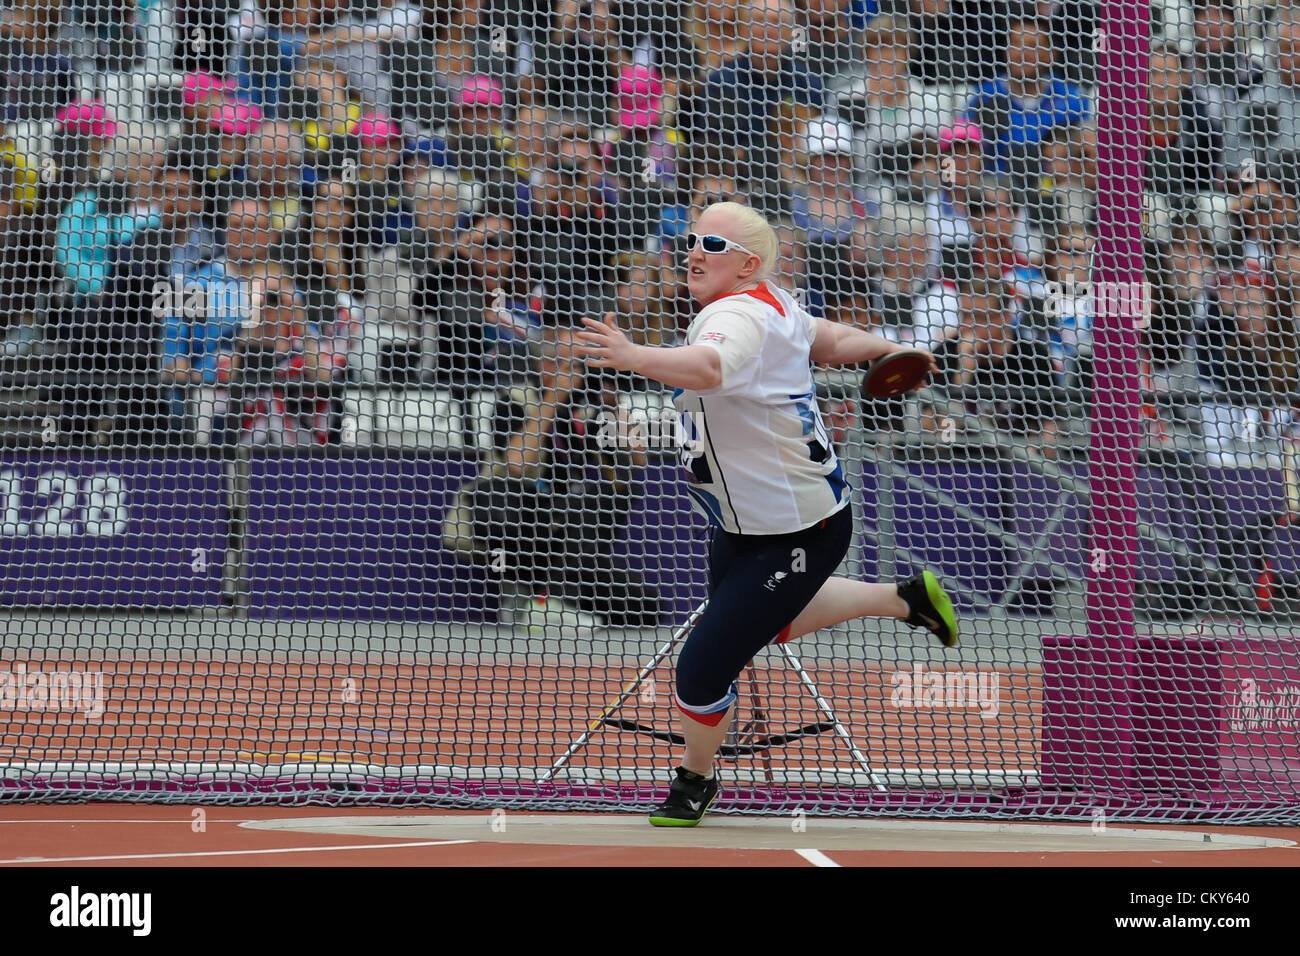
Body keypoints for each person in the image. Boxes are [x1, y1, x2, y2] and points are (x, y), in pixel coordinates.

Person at [575, 201, 959, 826]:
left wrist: (633, 355)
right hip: (743, 522)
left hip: (795, 528)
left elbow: (708, 367)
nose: (695, 250)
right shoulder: (775, 302)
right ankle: (904, 597)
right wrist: (890, 346)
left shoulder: (736, 315)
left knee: (702, 669)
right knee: (757, 625)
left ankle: (695, 781)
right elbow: (827, 338)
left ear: (748, 264)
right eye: (692, 238)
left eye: (713, 245)